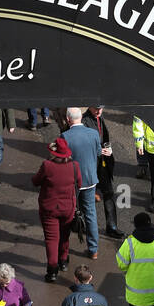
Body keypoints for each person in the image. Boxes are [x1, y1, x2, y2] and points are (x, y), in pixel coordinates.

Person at [31, 135, 81, 281]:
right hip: (68, 208)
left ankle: (52, 270)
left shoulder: (47, 165)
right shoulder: (74, 166)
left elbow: (35, 181)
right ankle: (63, 261)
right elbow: (80, 183)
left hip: (49, 208)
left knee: (52, 239)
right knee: (65, 235)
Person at [62, 106, 101, 258]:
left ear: (67, 119)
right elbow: (98, 153)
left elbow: (62, 160)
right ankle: (94, 249)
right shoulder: (93, 133)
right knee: (90, 214)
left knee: (68, 213)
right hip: (90, 180)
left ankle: (64, 250)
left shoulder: (65, 136)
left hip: (72, 182)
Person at [82, 105, 122, 238]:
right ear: (90, 107)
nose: (98, 111)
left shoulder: (99, 117)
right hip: (91, 165)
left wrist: (108, 148)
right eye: (96, 109)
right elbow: (85, 145)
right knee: (86, 197)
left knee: (109, 193)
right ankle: (82, 225)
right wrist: (99, 150)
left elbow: (104, 137)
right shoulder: (84, 121)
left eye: (101, 109)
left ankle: (112, 226)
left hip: (103, 163)